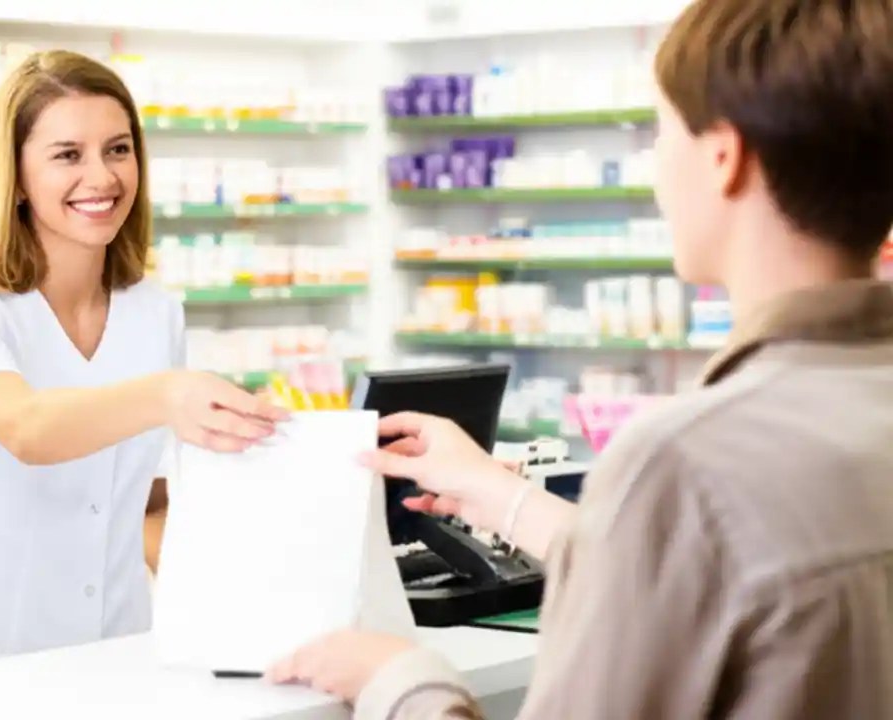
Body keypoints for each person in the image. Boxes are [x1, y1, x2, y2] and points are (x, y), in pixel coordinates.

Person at [270, 0, 893, 717]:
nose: (654, 164)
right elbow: (722, 570)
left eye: (660, 132)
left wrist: (406, 680)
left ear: (726, 157)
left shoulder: (686, 462)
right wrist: (503, 498)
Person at [0, 50, 285, 670]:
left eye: (117, 149)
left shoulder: (154, 311)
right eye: (66, 155)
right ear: (17, 177)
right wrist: (166, 395)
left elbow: (149, 509)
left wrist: (246, 600)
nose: (102, 177)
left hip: (120, 656)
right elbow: (27, 428)